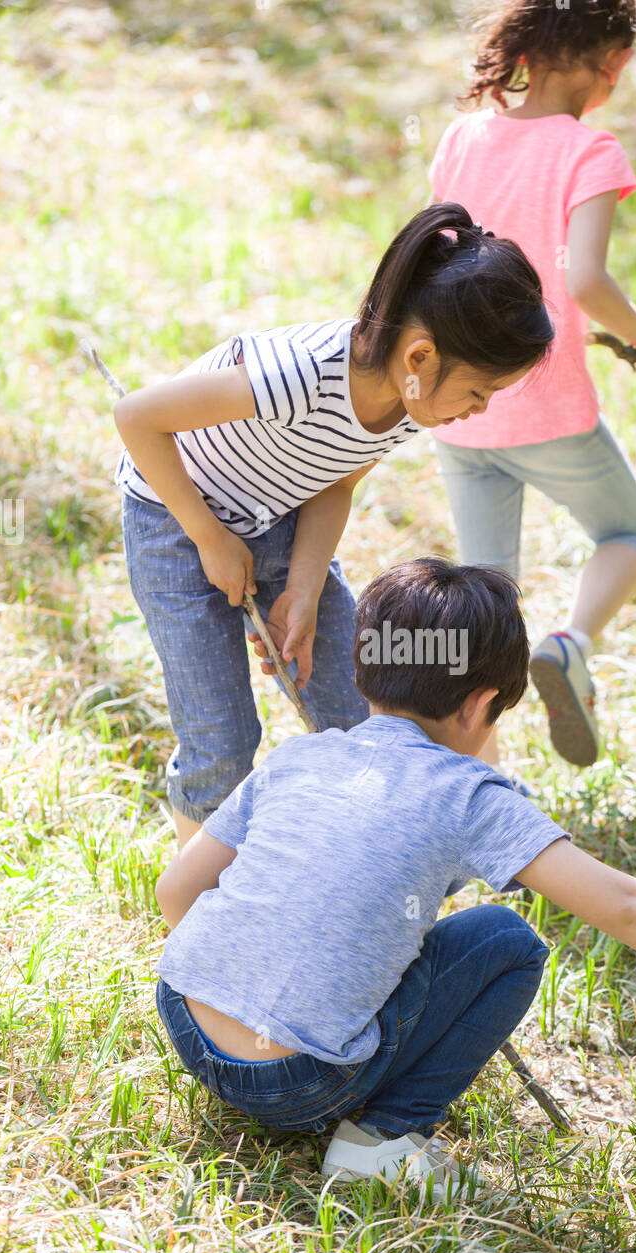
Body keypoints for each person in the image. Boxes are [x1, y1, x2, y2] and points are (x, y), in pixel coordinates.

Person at [153, 558, 636, 1200]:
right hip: (296, 1082)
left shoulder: (298, 757)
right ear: (480, 706)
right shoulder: (469, 793)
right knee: (504, 942)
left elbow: (175, 894)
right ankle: (380, 1141)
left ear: (368, 669)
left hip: (185, 1022)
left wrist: (255, 971)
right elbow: (633, 909)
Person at [112, 203, 554, 845]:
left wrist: (305, 588)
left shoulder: (409, 403)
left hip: (277, 516)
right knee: (223, 740)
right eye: (478, 393)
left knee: (362, 707)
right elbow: (137, 417)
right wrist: (210, 537)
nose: (478, 411)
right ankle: (196, 917)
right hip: (174, 521)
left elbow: (335, 482)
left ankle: (364, 854)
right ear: (422, 356)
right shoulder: (301, 376)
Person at [428, 0, 636, 770]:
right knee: (628, 534)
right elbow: (586, 277)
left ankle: (475, 778)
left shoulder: (463, 136)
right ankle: (570, 645)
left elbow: (442, 257)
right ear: (614, 64)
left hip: (459, 406)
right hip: (549, 412)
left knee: (488, 599)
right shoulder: (589, 152)